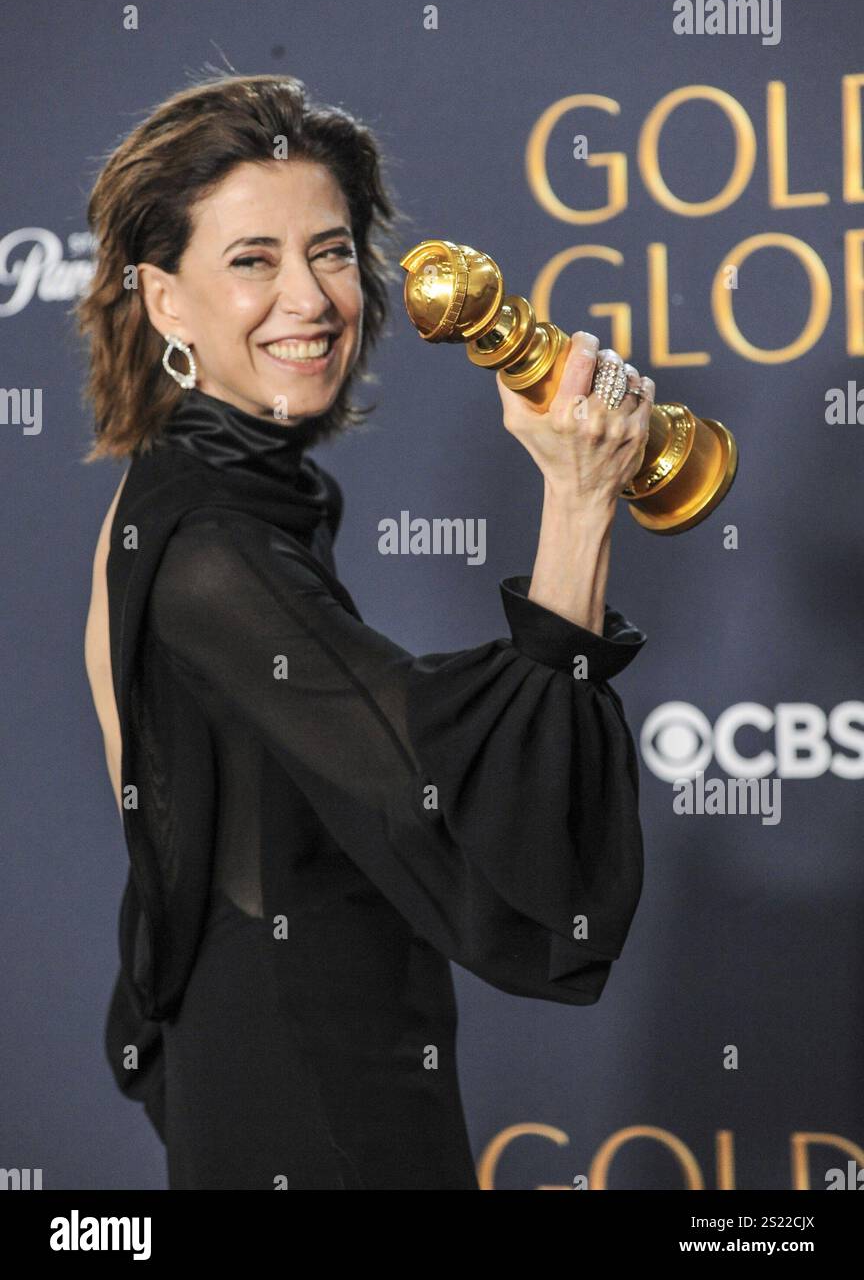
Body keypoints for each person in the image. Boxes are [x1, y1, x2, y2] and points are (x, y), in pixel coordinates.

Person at [78, 71, 654, 1191]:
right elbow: (437, 791)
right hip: (311, 1094)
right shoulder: (209, 545)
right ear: (164, 301)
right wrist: (580, 503)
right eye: (253, 260)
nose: (311, 298)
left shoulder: (213, 493)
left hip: (308, 1054)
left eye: (331, 251)